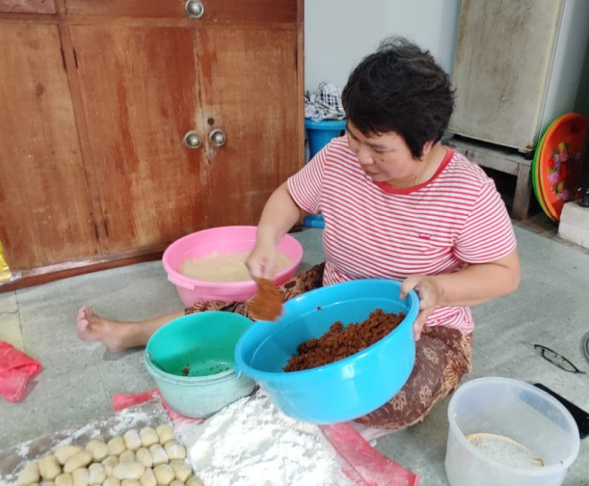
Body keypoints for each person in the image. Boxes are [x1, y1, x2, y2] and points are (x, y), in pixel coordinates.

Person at [77, 37, 519, 430]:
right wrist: (267, 239)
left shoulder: (466, 192)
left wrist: (439, 288)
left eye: (378, 148)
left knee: (390, 399)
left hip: (427, 323)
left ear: (425, 144)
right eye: (353, 137)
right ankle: (133, 333)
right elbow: (290, 197)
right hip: (339, 292)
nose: (361, 156)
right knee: (238, 319)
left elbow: (504, 273)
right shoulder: (338, 162)